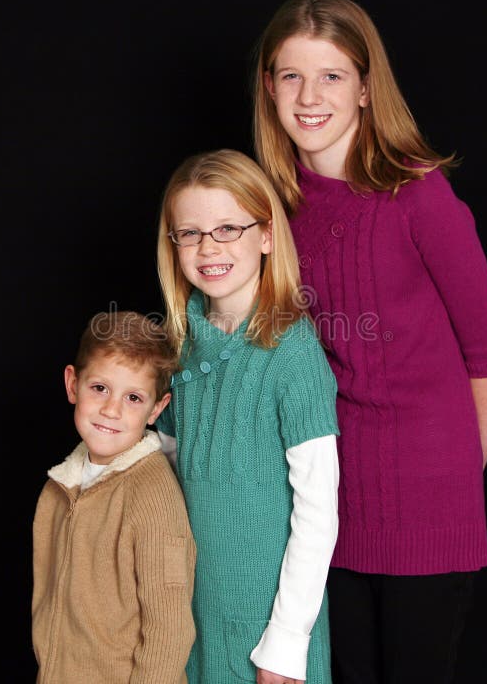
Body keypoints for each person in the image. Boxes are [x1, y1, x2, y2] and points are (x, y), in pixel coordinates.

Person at [252, 0, 487, 683]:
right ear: (269, 88)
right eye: (291, 75)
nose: (310, 96)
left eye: (332, 75)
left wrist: (451, 480)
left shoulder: (418, 195)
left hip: (426, 509)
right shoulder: (275, 209)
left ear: (367, 89)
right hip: (326, 513)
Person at [155, 148, 340, 684]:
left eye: (228, 228)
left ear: (265, 236)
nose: (208, 247)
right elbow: (170, 470)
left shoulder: (293, 352)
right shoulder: (181, 344)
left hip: (268, 623)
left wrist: (284, 644)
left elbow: (317, 513)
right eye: (189, 233)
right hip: (191, 609)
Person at [31, 310, 196, 684]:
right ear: (73, 384)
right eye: (100, 388)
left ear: (157, 408)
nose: (111, 409)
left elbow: (169, 631)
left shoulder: (152, 499)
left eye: (134, 397)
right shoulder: (58, 490)